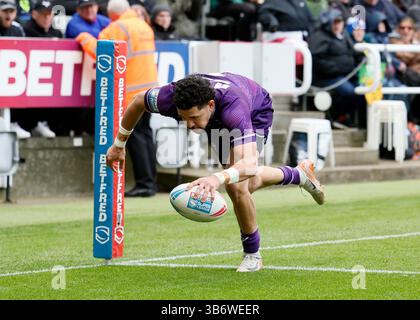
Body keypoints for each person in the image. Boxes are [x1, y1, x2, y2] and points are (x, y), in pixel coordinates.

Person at [105, 72, 326, 272]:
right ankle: (300, 175)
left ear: (210, 105)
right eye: (183, 118)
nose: (189, 125)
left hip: (255, 107)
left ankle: (252, 255)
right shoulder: (169, 97)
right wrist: (119, 144)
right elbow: (137, 102)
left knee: (237, 185)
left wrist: (216, 178)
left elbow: (249, 163)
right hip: (216, 122)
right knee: (246, 183)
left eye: (193, 117)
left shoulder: (235, 110)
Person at [77, 0, 159, 197]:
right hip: (149, 89)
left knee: (137, 137)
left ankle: (145, 184)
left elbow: (100, 52)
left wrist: (83, 38)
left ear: (110, 13)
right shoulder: (143, 25)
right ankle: (150, 181)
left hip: (131, 92)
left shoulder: (117, 27)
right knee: (146, 136)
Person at [310, 9, 365, 128]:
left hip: (345, 75)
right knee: (350, 92)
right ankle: (335, 115)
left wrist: (361, 58)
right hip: (326, 77)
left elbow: (354, 52)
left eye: (339, 22)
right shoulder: (320, 36)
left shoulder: (344, 34)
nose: (337, 25)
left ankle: (351, 119)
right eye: (334, 22)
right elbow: (317, 61)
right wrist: (338, 69)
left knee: (363, 90)